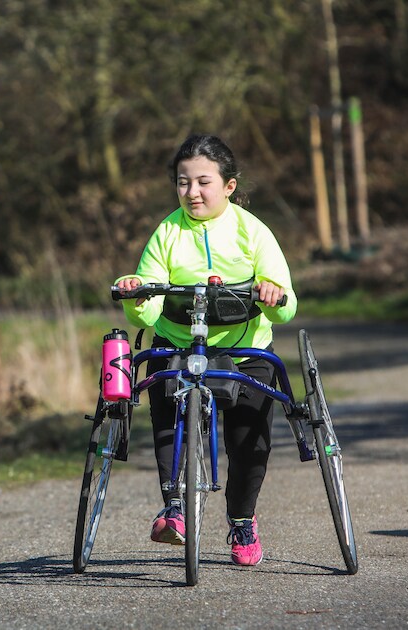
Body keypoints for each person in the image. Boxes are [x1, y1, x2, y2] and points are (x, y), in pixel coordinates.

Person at [115, 134, 296, 566]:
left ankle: (242, 520)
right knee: (165, 420)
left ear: (229, 185)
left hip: (245, 352)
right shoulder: (167, 232)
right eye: (182, 183)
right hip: (177, 344)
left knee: (248, 443)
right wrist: (139, 297)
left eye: (202, 182)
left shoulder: (253, 232)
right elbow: (146, 312)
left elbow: (287, 304)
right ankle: (174, 510)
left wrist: (273, 293)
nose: (191, 193)